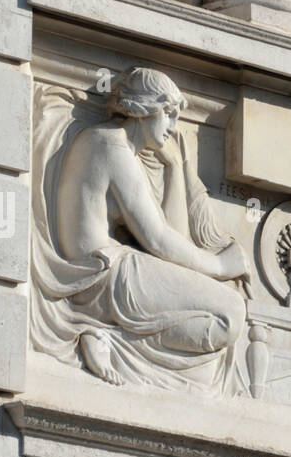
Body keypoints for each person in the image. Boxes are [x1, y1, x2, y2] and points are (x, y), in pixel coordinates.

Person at [50, 67, 250, 386]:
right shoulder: (111, 147)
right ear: (145, 110)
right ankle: (109, 340)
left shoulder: (114, 145)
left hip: (104, 274)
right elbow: (158, 239)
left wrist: (173, 167)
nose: (172, 126)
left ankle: (105, 336)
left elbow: (174, 234)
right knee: (230, 314)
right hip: (105, 276)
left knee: (220, 323)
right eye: (168, 114)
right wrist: (221, 265)